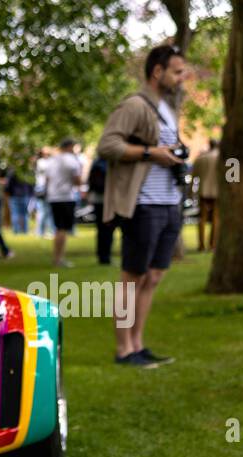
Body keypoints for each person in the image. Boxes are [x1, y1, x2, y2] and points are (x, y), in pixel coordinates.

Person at [97, 44, 187, 368]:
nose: (182, 78)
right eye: (177, 71)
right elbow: (107, 144)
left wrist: (173, 153)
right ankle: (123, 351)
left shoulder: (168, 108)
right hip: (142, 204)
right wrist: (151, 153)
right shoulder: (135, 105)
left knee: (153, 276)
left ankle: (138, 344)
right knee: (132, 277)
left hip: (169, 203)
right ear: (157, 72)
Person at [44, 138, 84, 267]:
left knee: (58, 228)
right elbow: (78, 180)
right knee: (63, 229)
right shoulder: (72, 160)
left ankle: (57, 258)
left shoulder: (52, 160)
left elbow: (47, 179)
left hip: (53, 197)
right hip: (66, 197)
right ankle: (59, 258)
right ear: (70, 146)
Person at [86, 156, 116, 264]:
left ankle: (102, 256)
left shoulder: (97, 163)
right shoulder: (110, 163)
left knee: (102, 229)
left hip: (98, 200)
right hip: (107, 200)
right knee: (107, 229)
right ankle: (105, 257)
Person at [192, 138, 219, 251]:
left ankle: (201, 245)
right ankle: (213, 245)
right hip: (218, 192)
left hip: (203, 191)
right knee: (216, 218)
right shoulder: (224, 158)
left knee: (201, 218)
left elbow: (194, 177)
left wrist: (191, 193)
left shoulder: (200, 159)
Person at [5, 166, 34, 234]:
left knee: (15, 213)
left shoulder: (12, 172)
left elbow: (8, 185)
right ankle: (25, 231)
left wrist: (9, 193)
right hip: (25, 195)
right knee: (24, 214)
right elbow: (31, 184)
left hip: (15, 195)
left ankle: (16, 231)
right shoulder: (27, 171)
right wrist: (31, 194)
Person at [33, 148, 54, 237]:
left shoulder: (49, 161)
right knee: (42, 210)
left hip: (48, 187)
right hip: (42, 188)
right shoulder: (41, 162)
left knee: (48, 210)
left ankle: (47, 231)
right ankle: (40, 231)